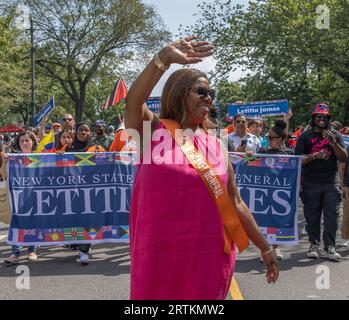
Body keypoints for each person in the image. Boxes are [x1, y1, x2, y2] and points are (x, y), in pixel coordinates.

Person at [125, 36, 279, 300]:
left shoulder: (217, 145)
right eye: (202, 91)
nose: (209, 99)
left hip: (209, 256)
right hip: (160, 256)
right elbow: (132, 102)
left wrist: (265, 248)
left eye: (211, 94)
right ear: (179, 93)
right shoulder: (152, 132)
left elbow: (236, 202)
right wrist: (162, 60)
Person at [295, 103, 347, 261]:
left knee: (332, 214)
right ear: (313, 118)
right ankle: (314, 245)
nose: (322, 119)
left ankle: (329, 247)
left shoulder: (335, 135)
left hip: (331, 181)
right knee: (312, 216)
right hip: (311, 182)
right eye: (319, 116)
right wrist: (315, 156)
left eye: (325, 117)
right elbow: (297, 160)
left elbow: (343, 157)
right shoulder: (305, 136)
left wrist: (333, 142)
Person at [64, 122, 105, 265]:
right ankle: (79, 244)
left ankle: (84, 250)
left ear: (90, 133)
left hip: (92, 191)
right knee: (76, 219)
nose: (83, 133)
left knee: (88, 220)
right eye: (80, 130)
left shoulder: (98, 148)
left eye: (86, 130)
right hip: (73, 191)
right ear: (75, 132)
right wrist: (59, 155)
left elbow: (107, 166)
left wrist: (101, 157)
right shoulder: (68, 148)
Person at [259, 119, 293, 260]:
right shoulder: (262, 151)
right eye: (268, 137)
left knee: (277, 220)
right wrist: (247, 155)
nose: (269, 140)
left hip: (281, 193)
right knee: (265, 221)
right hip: (264, 191)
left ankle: (276, 248)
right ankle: (265, 249)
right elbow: (248, 164)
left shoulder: (290, 153)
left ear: (281, 139)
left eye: (272, 138)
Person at [2, 131, 39, 264]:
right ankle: (15, 253)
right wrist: (4, 162)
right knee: (16, 222)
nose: (24, 143)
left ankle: (32, 250)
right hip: (17, 195)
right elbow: (4, 174)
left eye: (27, 140)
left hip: (34, 195)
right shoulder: (13, 158)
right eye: (22, 140)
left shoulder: (39, 157)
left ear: (33, 142)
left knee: (32, 222)